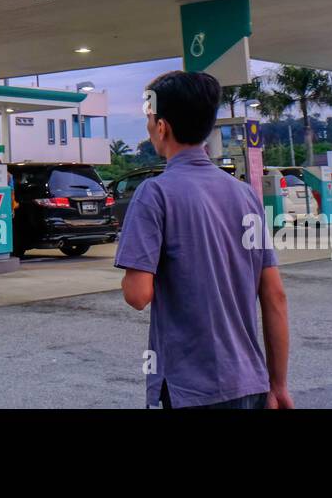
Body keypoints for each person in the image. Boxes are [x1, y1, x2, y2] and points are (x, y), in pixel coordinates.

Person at [116, 70, 292, 409]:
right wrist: (278, 385)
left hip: (188, 389)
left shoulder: (154, 194)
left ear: (162, 126)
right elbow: (275, 295)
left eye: (150, 119)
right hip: (249, 384)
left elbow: (138, 295)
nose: (149, 127)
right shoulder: (245, 195)